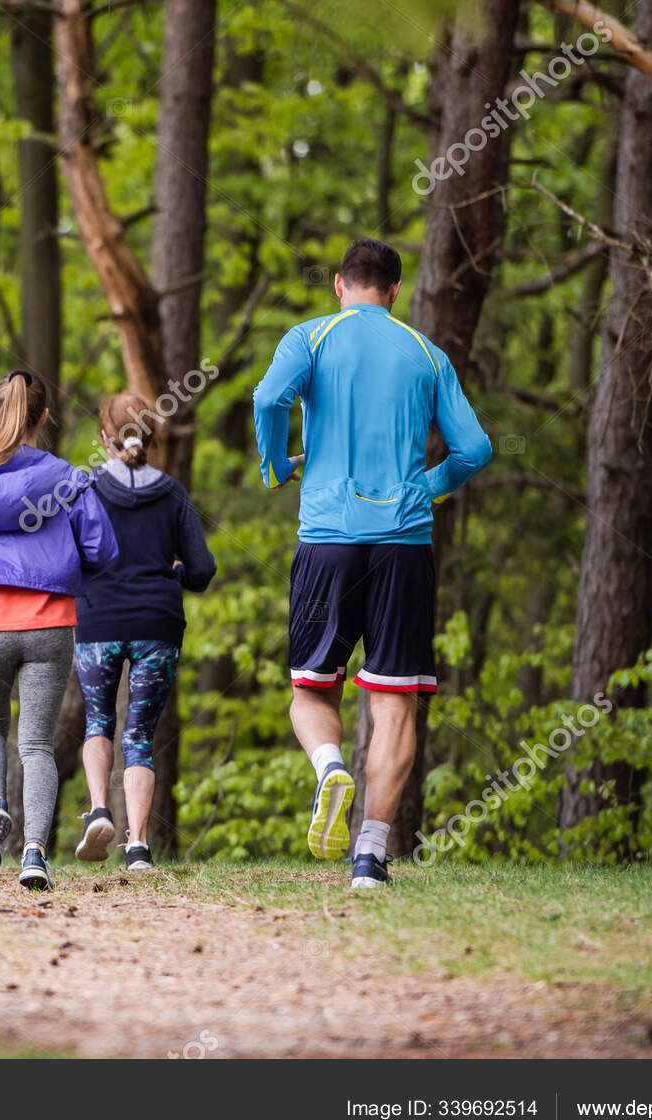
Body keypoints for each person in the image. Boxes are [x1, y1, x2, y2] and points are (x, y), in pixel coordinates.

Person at [252, 238, 492, 889]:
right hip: (404, 545)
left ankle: (330, 767)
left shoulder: (309, 337)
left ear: (339, 284)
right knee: (394, 703)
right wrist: (426, 488)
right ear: (395, 290)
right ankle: (370, 857)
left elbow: (268, 400)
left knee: (311, 690)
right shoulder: (426, 353)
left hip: (327, 538)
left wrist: (275, 466)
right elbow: (475, 450)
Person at [0, 371, 118, 890]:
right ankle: (34, 854)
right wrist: (69, 576)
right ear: (44, 416)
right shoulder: (69, 477)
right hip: (50, 622)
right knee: (36, 744)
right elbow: (102, 549)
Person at [72, 394, 216, 871]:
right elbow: (202, 569)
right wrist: (174, 572)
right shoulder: (172, 493)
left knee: (98, 721)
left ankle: (99, 810)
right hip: (158, 623)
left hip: (98, 620)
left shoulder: (85, 488)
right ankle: (137, 846)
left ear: (104, 437)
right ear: (152, 437)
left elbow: (67, 556)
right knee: (139, 735)